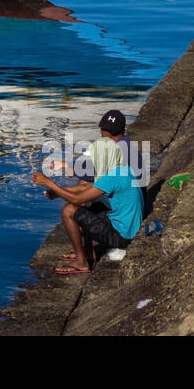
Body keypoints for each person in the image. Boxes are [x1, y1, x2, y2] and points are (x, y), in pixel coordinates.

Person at [33, 110, 143, 275]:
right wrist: (58, 192)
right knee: (87, 201)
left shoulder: (111, 176)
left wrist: (49, 182)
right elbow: (89, 188)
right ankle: (87, 253)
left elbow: (78, 198)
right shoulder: (121, 169)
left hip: (122, 235)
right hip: (126, 221)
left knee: (69, 210)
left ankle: (82, 262)